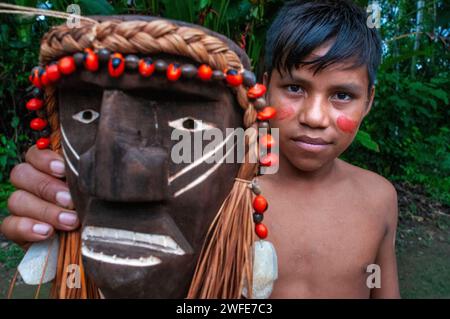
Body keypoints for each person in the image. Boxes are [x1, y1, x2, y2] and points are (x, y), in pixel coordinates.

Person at [1, 0, 400, 298]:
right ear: (259, 89)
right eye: (295, 88)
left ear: (370, 101)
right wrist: (71, 208)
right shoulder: (214, 180)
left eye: (342, 95)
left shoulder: (379, 198)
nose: (315, 116)